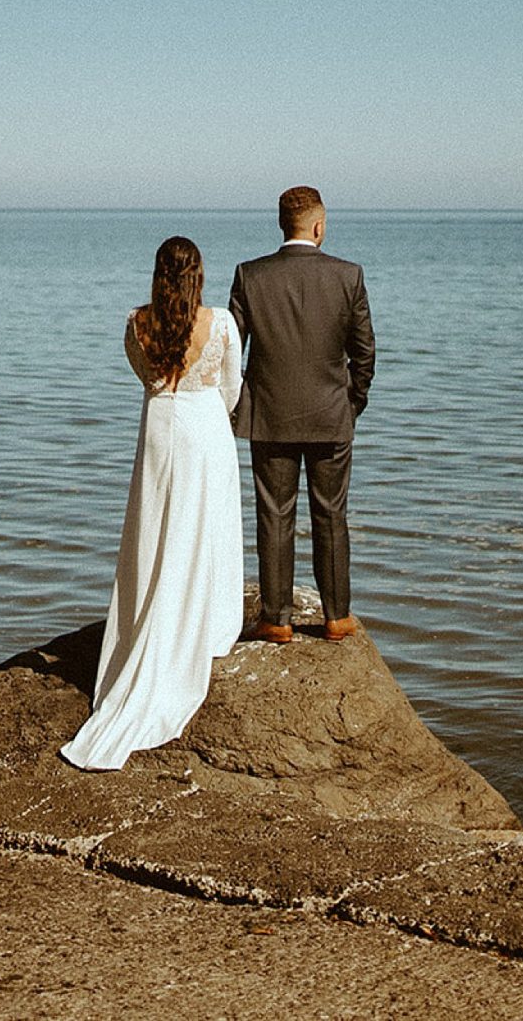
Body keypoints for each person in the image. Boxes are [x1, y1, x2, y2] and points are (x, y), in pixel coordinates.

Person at [60, 237, 245, 769]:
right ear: (199, 275)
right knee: (204, 526)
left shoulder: (136, 324)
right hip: (205, 428)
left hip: (159, 427)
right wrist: (206, 405)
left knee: (155, 529)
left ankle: (148, 618)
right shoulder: (223, 325)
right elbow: (231, 389)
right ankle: (206, 622)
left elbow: (143, 376)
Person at [229, 186, 375, 644]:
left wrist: (242, 407)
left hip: (269, 417)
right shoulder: (347, 276)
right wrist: (349, 404)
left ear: (281, 224)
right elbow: (365, 354)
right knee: (332, 514)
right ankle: (336, 616)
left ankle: (277, 618)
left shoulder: (250, 276)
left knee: (275, 515)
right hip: (331, 416)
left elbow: (230, 351)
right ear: (318, 226)